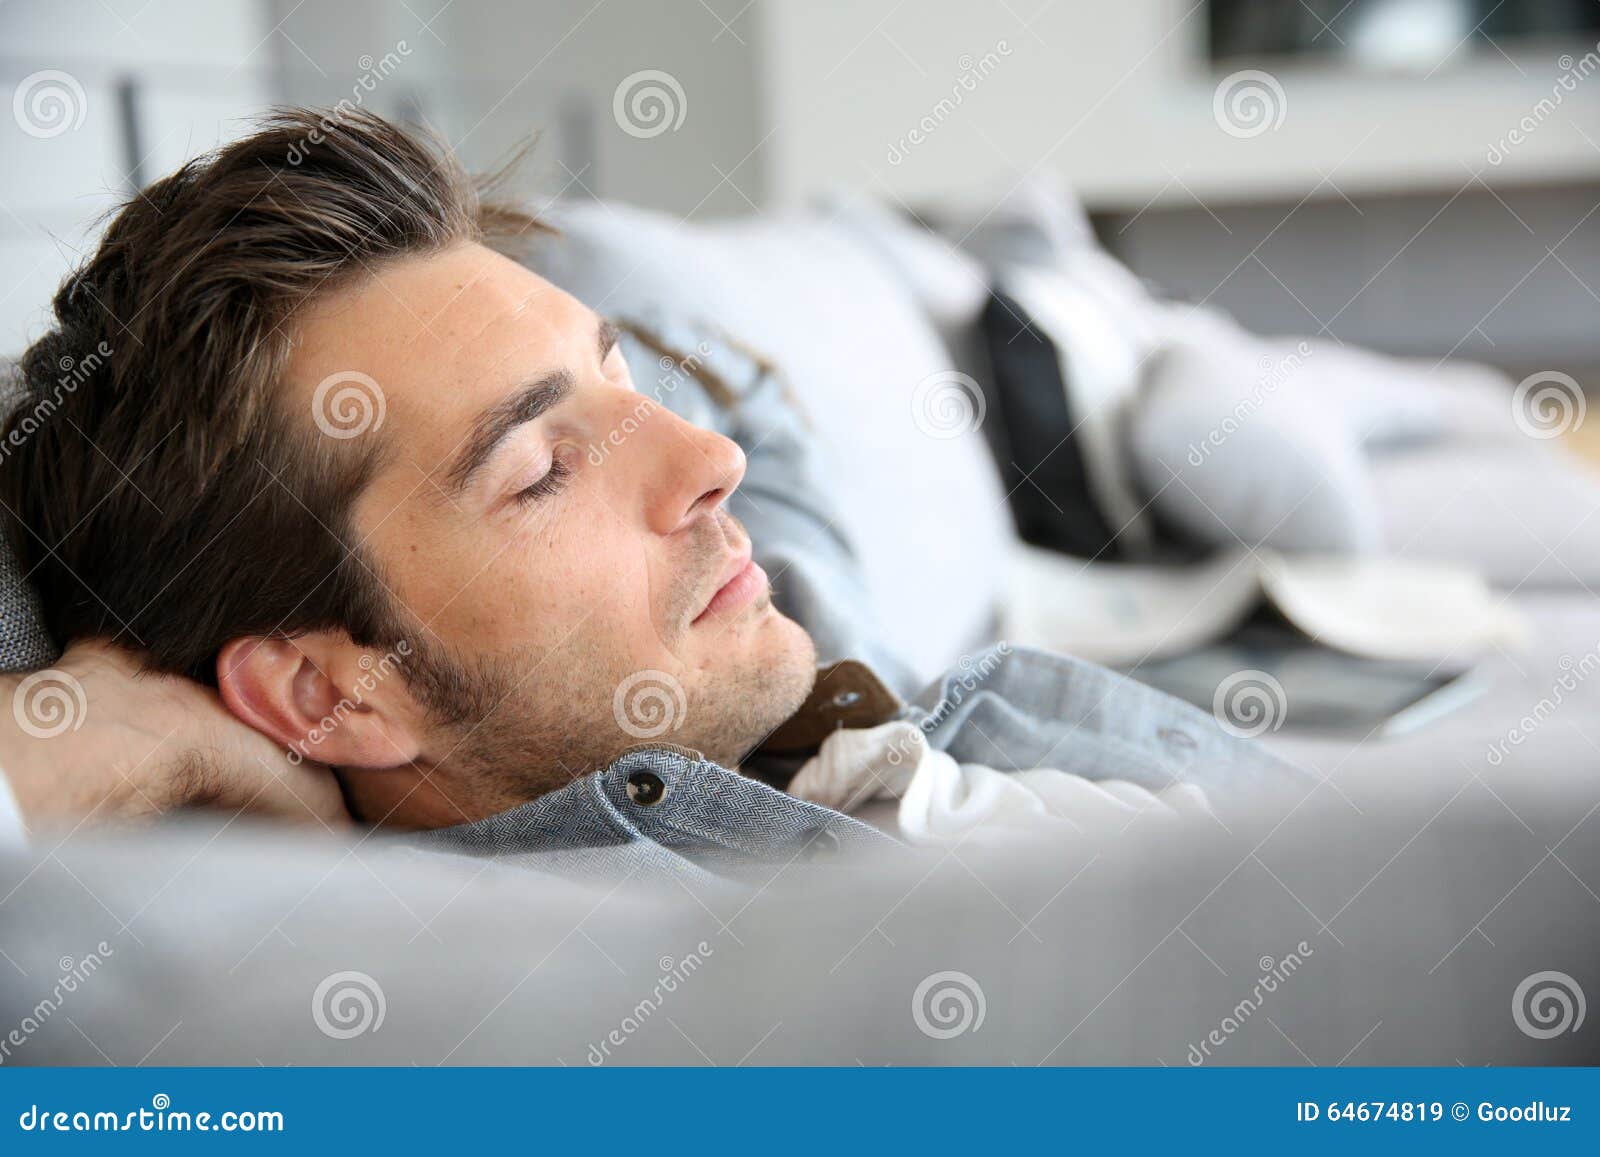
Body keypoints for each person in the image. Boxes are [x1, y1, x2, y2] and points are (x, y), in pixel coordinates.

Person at [0, 109, 1304, 878]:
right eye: (546, 468)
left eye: (619, 373)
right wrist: (123, 731)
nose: (704, 459)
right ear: (330, 688)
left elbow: (757, 432)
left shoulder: (772, 659)